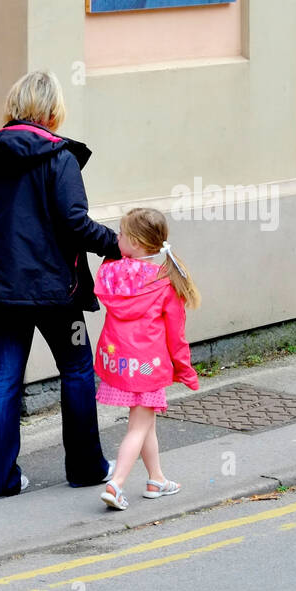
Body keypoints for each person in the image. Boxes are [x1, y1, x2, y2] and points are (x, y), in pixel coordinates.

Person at [0, 69, 121, 496]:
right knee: (77, 369)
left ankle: (0, 478)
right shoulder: (59, 159)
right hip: (55, 291)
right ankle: (85, 468)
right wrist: (118, 245)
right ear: (52, 110)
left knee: (4, 377)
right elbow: (75, 224)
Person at [94, 206, 200, 511]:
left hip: (122, 363)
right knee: (138, 427)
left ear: (137, 243)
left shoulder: (113, 274)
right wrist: (184, 370)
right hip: (148, 366)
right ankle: (116, 485)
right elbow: (175, 335)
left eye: (122, 234)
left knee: (145, 422)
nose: (117, 239)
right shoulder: (164, 281)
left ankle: (156, 479)